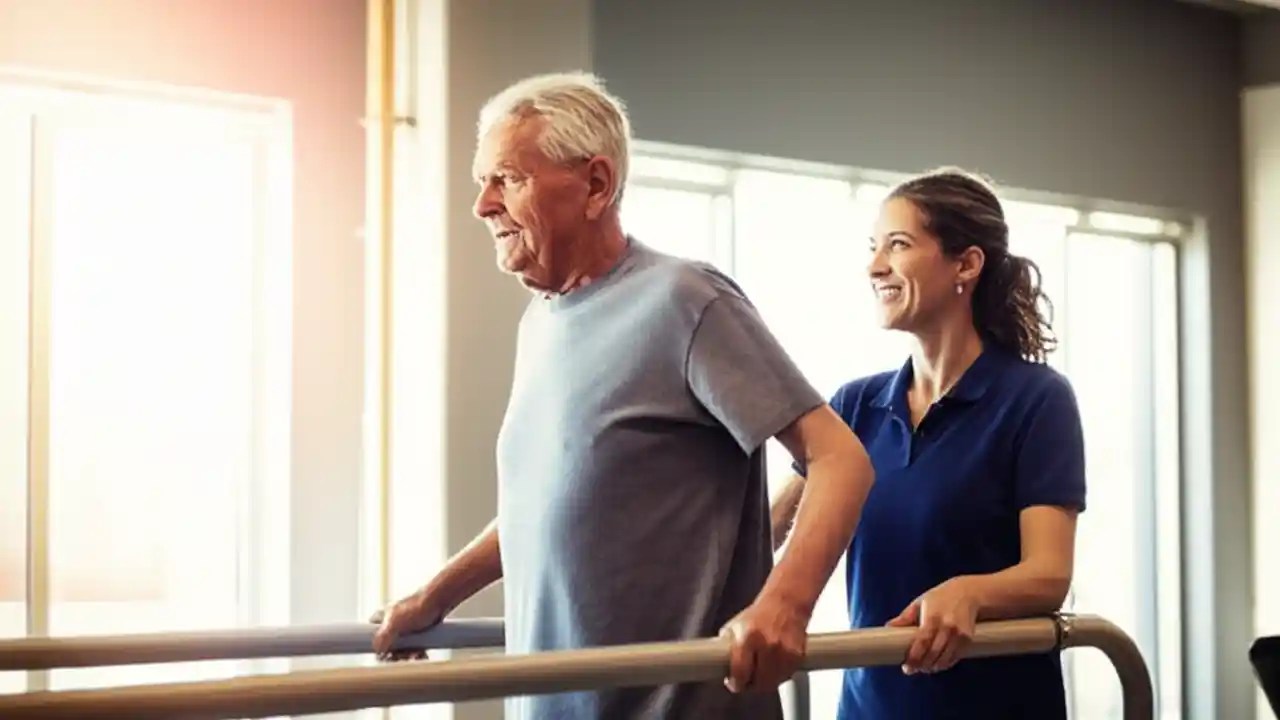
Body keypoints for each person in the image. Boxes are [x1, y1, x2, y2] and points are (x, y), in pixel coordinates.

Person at [370, 71, 876, 720]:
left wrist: (785, 605)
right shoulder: (541, 323)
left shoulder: (684, 301)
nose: (483, 205)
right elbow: (547, 504)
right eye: (482, 181)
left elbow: (839, 459)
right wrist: (434, 596)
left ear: (596, 185)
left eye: (508, 179)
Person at [771, 167, 1086, 719]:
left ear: (966, 264)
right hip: (869, 708)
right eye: (874, 247)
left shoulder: (1036, 400)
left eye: (897, 245)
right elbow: (768, 529)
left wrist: (969, 592)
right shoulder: (855, 405)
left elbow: (1049, 574)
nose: (875, 266)